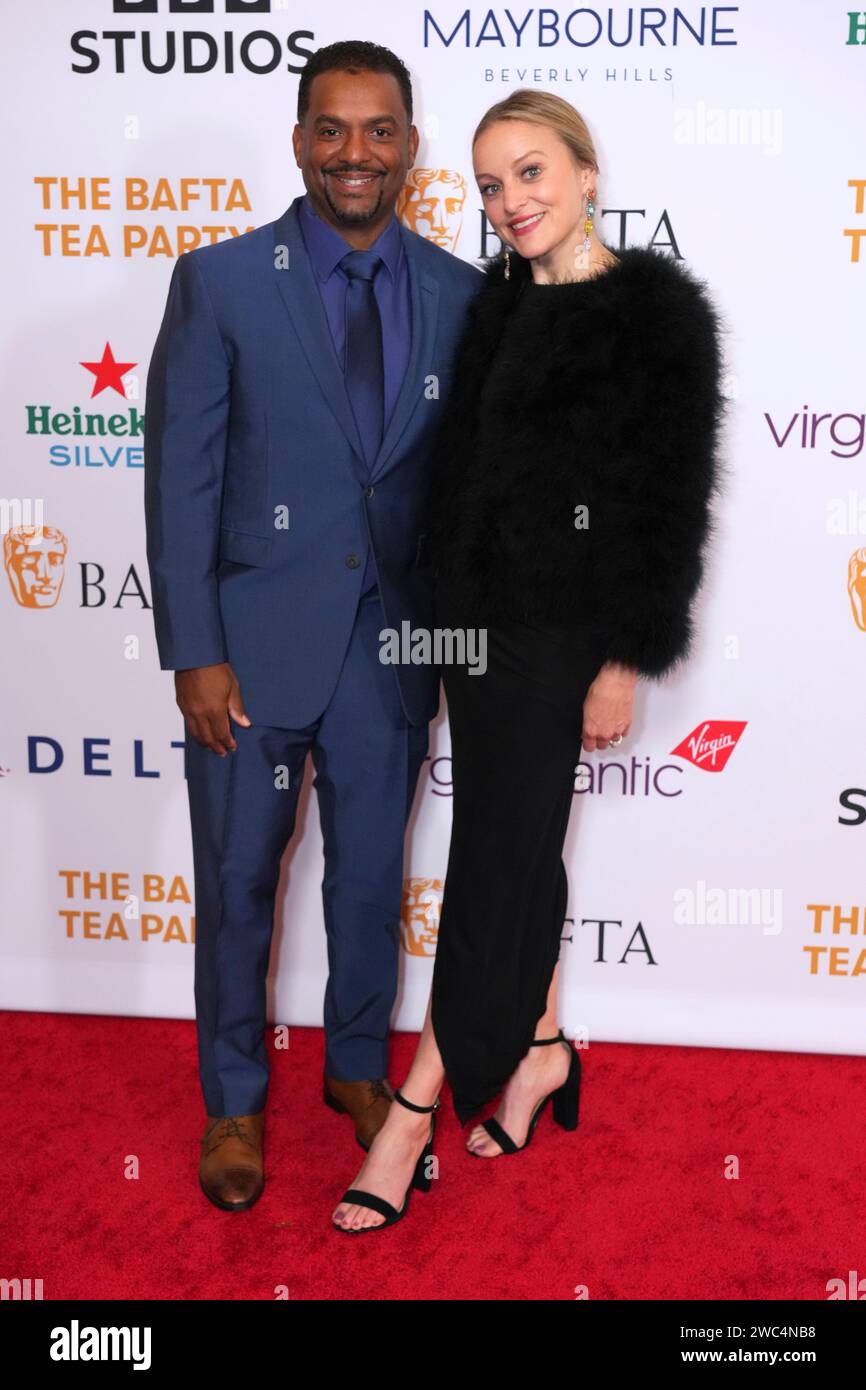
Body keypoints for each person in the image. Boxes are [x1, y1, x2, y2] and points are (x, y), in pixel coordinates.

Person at [331, 89, 727, 1232]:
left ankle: (411, 1111)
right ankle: (542, 1047)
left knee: (493, 865)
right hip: (475, 630)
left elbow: (664, 506)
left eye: (532, 173)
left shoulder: (654, 316)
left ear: (588, 173)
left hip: (566, 638)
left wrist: (621, 658)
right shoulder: (495, 305)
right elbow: (463, 481)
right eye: (491, 184)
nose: (510, 201)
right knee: (520, 846)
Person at [144, 41, 483, 1212]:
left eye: (378, 129)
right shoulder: (223, 280)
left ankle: (353, 1070)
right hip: (249, 647)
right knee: (238, 881)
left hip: (392, 654)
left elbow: (462, 495)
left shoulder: (456, 292)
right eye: (331, 129)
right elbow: (179, 478)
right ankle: (233, 1099)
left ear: (408, 146)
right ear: (298, 141)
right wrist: (194, 647)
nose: (355, 152)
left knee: (365, 887)